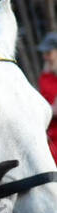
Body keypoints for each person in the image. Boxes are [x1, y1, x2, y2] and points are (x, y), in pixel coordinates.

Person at [38, 31, 57, 162]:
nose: (45, 57)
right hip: (50, 139)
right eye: (44, 54)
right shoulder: (45, 78)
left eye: (49, 53)